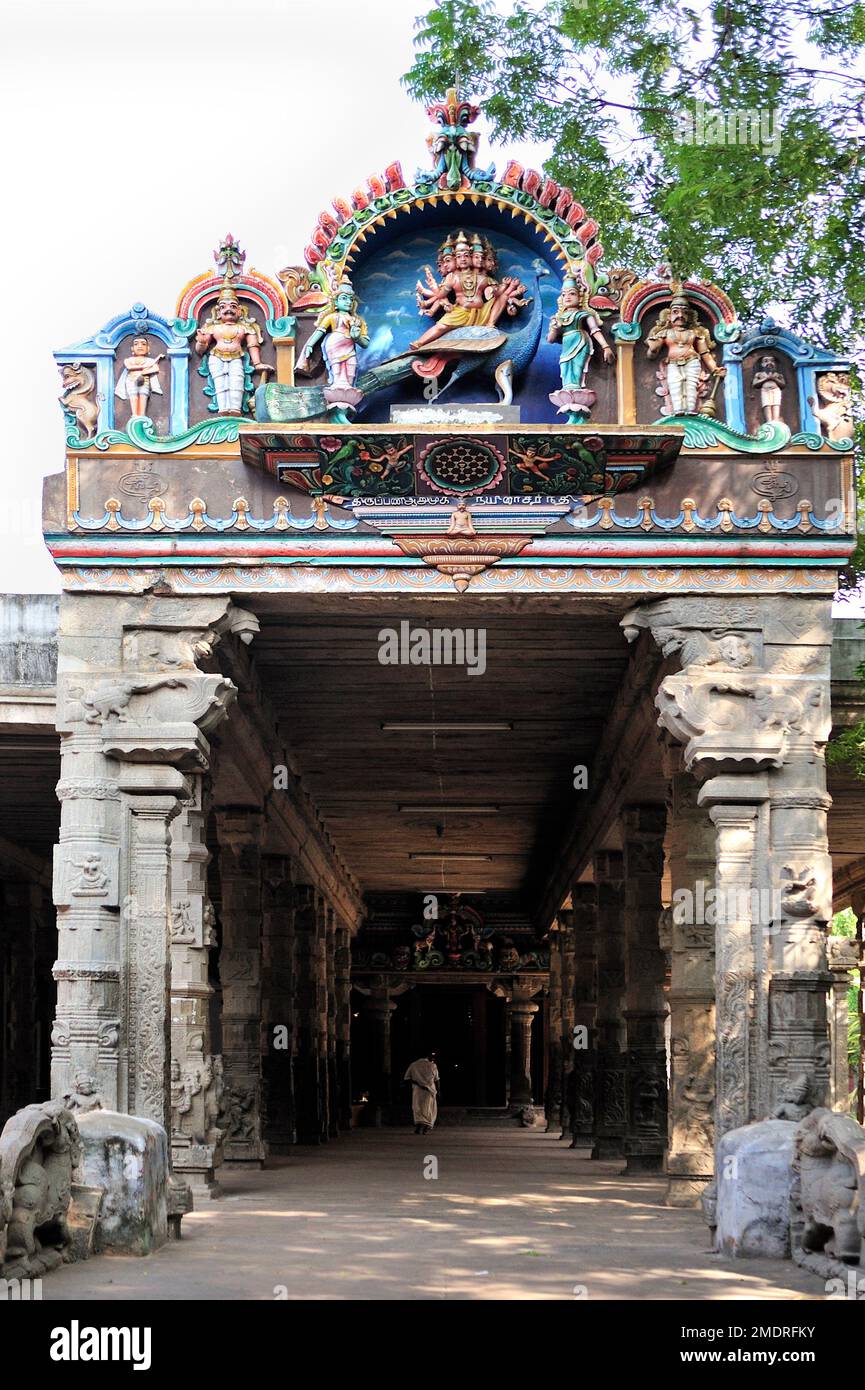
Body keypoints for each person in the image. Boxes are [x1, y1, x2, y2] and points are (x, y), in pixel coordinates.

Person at [404, 1050, 440, 1134]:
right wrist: (438, 1091)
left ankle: (419, 1127)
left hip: (418, 1090)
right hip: (430, 1090)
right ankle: (425, 1128)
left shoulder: (413, 1065)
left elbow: (407, 1078)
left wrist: (418, 1084)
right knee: (429, 1109)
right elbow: (437, 1080)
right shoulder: (432, 1065)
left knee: (418, 1108)